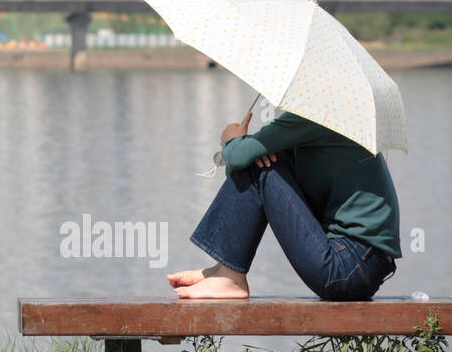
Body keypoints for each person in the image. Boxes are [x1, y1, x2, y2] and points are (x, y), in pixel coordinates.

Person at [167, 109, 400, 300]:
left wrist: (231, 140)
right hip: (359, 267)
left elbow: (239, 157)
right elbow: (244, 164)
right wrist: (242, 151)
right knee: (261, 162)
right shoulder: (328, 119)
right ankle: (223, 271)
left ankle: (229, 277)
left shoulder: (316, 114)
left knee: (261, 166)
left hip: (347, 267)